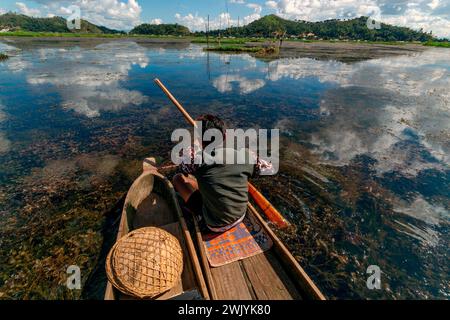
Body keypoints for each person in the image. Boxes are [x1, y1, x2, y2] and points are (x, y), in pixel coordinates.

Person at [172, 114, 273, 233]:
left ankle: (199, 213)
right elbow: (269, 169)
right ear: (224, 136)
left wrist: (195, 145)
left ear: (200, 140)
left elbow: (182, 169)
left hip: (214, 224)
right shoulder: (247, 155)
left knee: (178, 178)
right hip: (240, 215)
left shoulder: (195, 159)